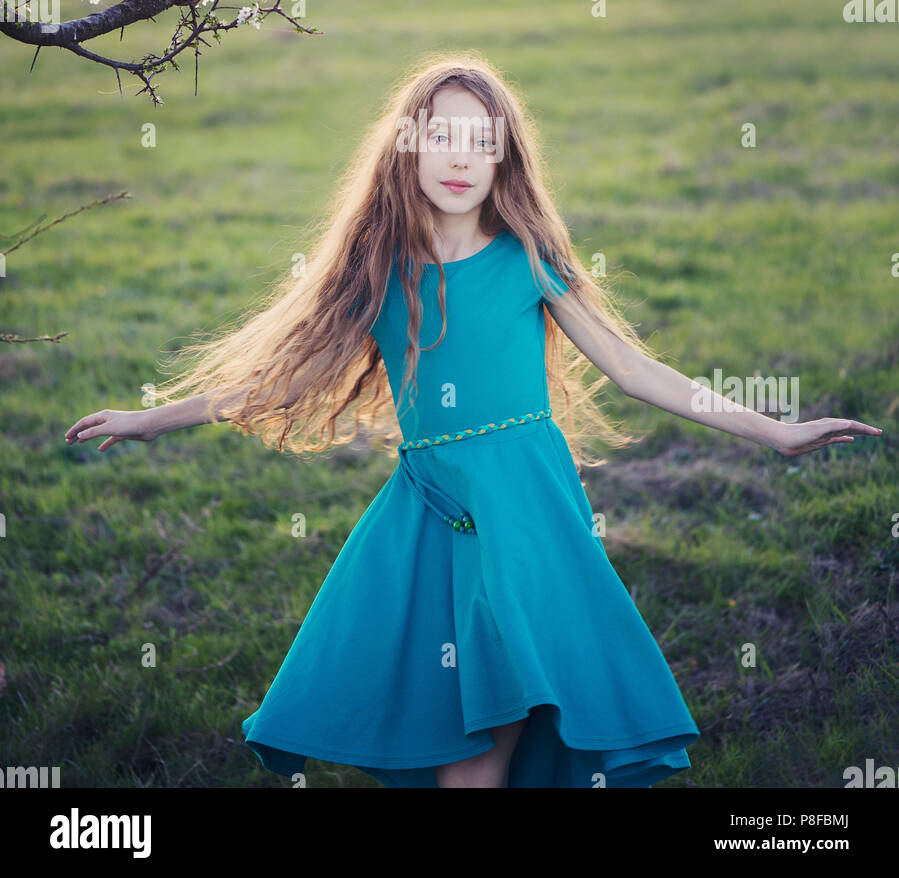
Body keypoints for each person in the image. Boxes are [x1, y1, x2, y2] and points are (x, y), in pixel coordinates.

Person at [65, 53, 882, 788]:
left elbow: (634, 372)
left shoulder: (529, 262)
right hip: (428, 513)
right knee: (453, 721)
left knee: (496, 709)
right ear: (408, 148)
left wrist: (776, 430)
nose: (459, 158)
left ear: (503, 159)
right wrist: (154, 420)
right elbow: (287, 377)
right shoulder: (377, 271)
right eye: (441, 138)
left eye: (480, 142)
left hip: (524, 510)